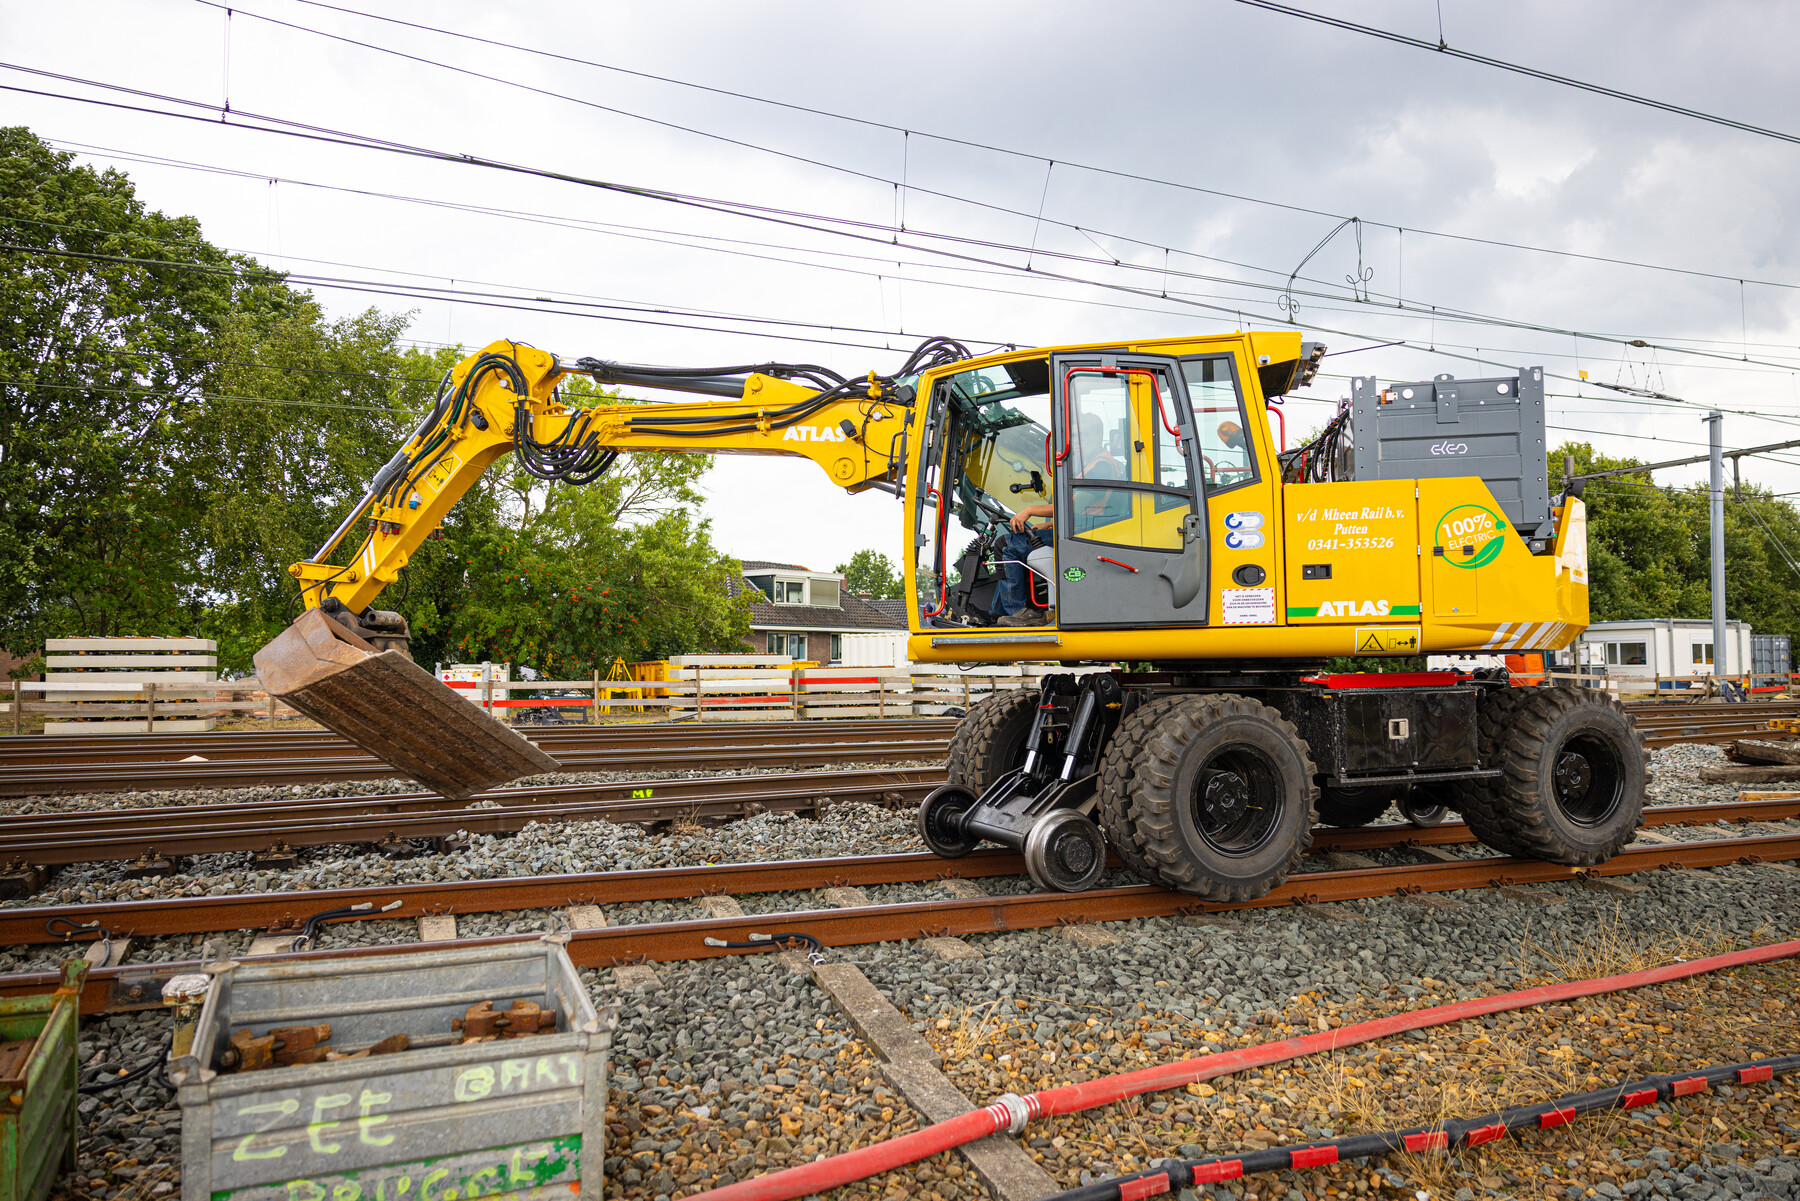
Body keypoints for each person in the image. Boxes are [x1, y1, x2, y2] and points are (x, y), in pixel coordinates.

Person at [994, 502, 1055, 626]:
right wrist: (1048, 524)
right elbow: (1079, 515)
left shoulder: (1084, 484)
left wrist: (1029, 510)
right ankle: (997, 613)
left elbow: (1074, 506)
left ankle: (1016, 612)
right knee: (1011, 558)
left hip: (1078, 536)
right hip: (1075, 530)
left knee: (1007, 545)